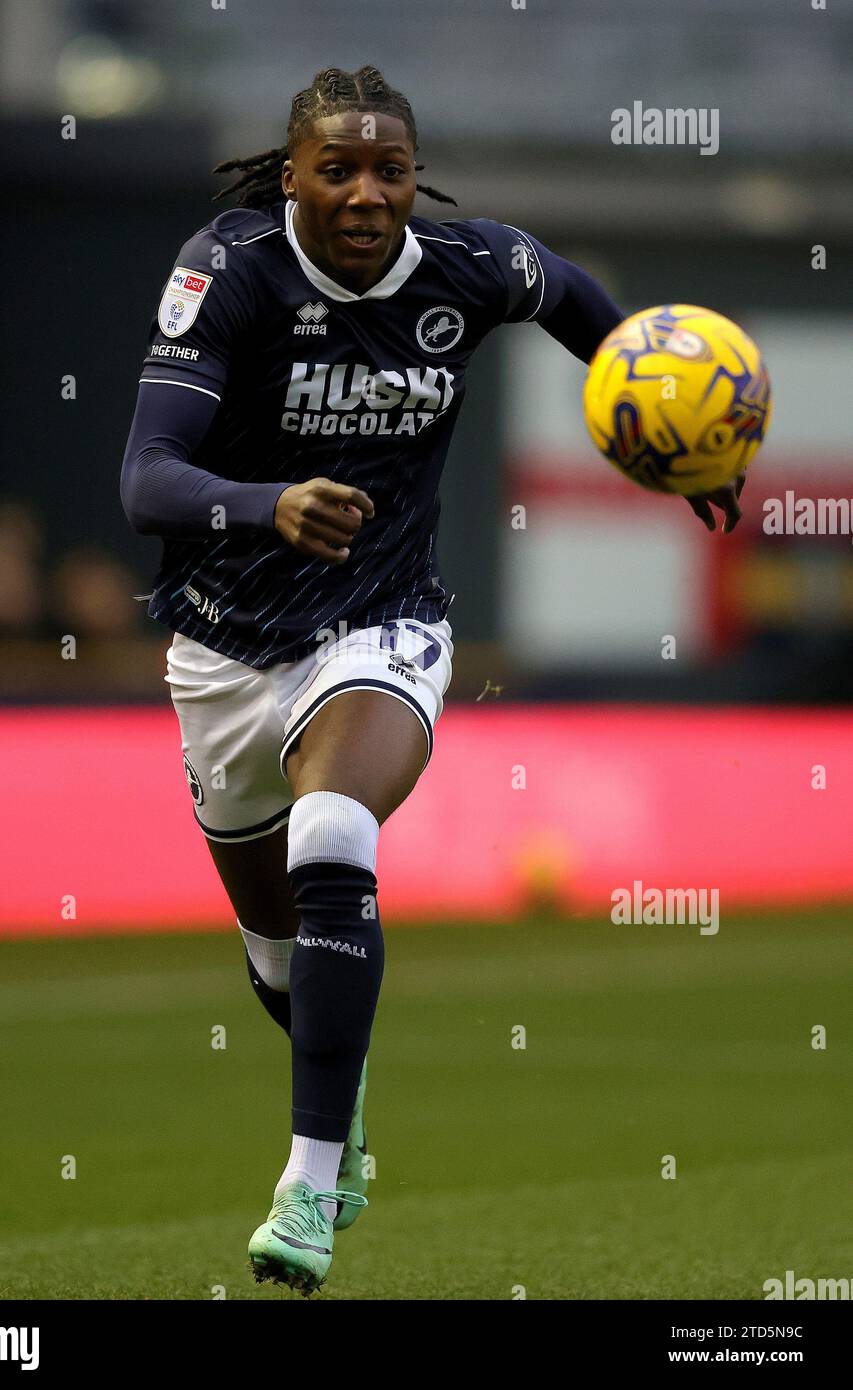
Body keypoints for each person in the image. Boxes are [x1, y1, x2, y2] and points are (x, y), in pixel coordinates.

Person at [120, 64, 745, 1296]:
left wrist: (674, 422)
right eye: (337, 170)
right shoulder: (227, 271)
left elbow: (574, 302)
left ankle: (304, 1185)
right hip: (219, 644)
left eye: (389, 171)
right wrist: (265, 504)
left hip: (380, 623)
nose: (366, 194)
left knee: (333, 831)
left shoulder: (473, 267)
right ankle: (337, 1093)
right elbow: (145, 477)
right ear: (290, 175)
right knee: (273, 955)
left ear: (415, 179)